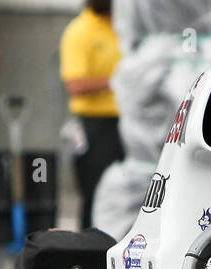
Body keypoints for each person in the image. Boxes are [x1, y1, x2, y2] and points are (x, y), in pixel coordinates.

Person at [60, 0, 125, 231]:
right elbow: (75, 83)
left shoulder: (123, 26)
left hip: (127, 123)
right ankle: (91, 252)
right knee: (95, 194)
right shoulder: (79, 31)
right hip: (96, 127)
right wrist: (120, 78)